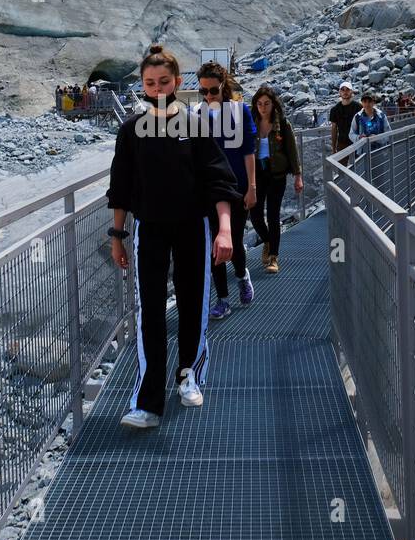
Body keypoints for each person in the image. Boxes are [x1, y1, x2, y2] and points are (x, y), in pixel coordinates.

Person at [106, 44, 241, 430]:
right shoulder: (131, 131)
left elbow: (219, 182)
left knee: (192, 302)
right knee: (149, 310)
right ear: (143, 85)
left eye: (164, 81)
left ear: (177, 82)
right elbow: (121, 186)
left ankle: (188, 376)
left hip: (191, 226)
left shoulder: (196, 127)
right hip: (148, 228)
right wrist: (117, 235)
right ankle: (146, 402)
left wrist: (225, 230)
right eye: (150, 82)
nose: (158, 88)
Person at [196, 61, 257, 320]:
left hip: (237, 187)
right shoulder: (198, 114)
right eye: (204, 91)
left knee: (235, 245)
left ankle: (242, 275)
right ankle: (223, 299)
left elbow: (248, 151)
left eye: (213, 90)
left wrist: (252, 187)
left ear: (223, 86)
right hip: (210, 188)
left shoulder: (240, 111)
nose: (209, 96)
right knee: (214, 246)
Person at [250, 85, 303, 273]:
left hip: (277, 175)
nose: (263, 107)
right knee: (255, 214)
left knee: (273, 215)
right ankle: (267, 241)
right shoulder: (251, 122)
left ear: (273, 105)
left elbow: (292, 150)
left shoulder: (282, 123)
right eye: (259, 104)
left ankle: (274, 257)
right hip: (257, 174)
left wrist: (298, 176)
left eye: (266, 103)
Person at [329, 81, 359, 153]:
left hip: (357, 142)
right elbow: (334, 129)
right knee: (340, 164)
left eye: (347, 89)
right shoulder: (334, 109)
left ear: (351, 91)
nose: (345, 92)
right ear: (339, 92)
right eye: (342, 90)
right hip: (342, 143)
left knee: (359, 164)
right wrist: (333, 147)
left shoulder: (359, 107)